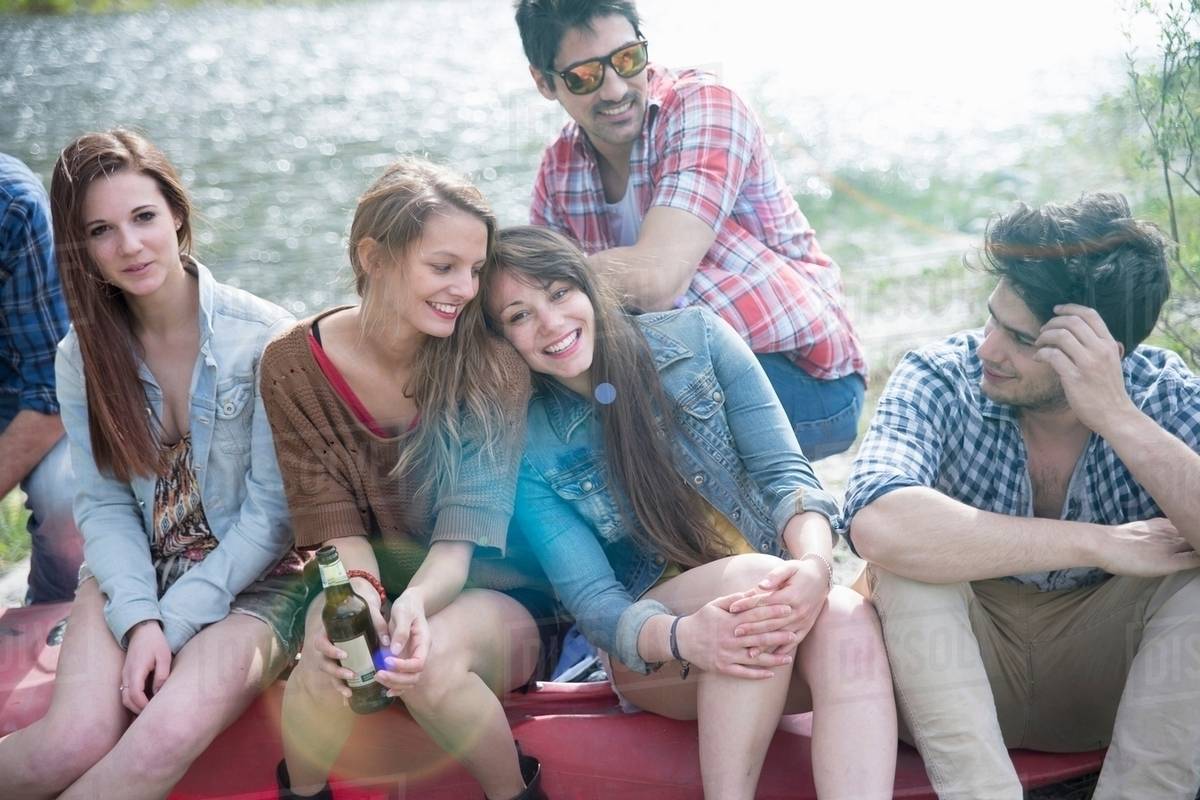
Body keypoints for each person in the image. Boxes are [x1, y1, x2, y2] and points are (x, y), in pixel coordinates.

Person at [482, 225, 895, 800]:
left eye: (557, 293)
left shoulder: (697, 337)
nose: (551, 323)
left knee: (849, 618)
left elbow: (788, 478)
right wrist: (683, 637)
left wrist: (815, 568)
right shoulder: (526, 442)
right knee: (755, 587)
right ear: (500, 340)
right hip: (656, 653)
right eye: (519, 316)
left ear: (587, 286)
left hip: (777, 606)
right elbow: (596, 602)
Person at [843, 192, 1200, 799]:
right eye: (992, 319)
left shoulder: (1161, 395)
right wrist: (1099, 545)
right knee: (906, 564)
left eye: (1021, 339)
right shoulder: (940, 375)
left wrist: (1117, 415)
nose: (988, 348)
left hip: (1107, 680)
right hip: (952, 674)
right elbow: (877, 522)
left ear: (1103, 353)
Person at [0, 130, 305, 799]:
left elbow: (272, 518)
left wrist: (171, 625)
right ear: (81, 248)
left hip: (259, 582)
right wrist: (138, 617)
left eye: (143, 218)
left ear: (177, 213)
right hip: (132, 569)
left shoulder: (267, 338)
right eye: (101, 231)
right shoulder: (81, 355)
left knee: (156, 744)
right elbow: (106, 507)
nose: (130, 246)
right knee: (69, 744)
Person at [263, 159, 553, 800]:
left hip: (491, 596)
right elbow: (334, 527)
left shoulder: (492, 368)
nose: (465, 289)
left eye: (475, 270)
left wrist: (414, 606)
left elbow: (459, 542)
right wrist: (361, 601)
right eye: (443, 266)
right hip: (367, 582)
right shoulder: (291, 366)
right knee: (326, 651)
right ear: (374, 255)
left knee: (426, 665)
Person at [513, 0, 867, 460]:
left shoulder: (705, 107)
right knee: (544, 425)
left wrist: (550, 286)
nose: (616, 89)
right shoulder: (558, 169)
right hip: (672, 373)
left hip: (808, 377)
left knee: (616, 439)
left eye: (627, 60)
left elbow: (658, 281)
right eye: (584, 76)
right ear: (544, 82)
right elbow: (544, 311)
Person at [0, 152, 81, 604]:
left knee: (66, 494)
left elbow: (53, 391)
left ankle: (57, 615)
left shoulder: (11, 204)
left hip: (33, 404)